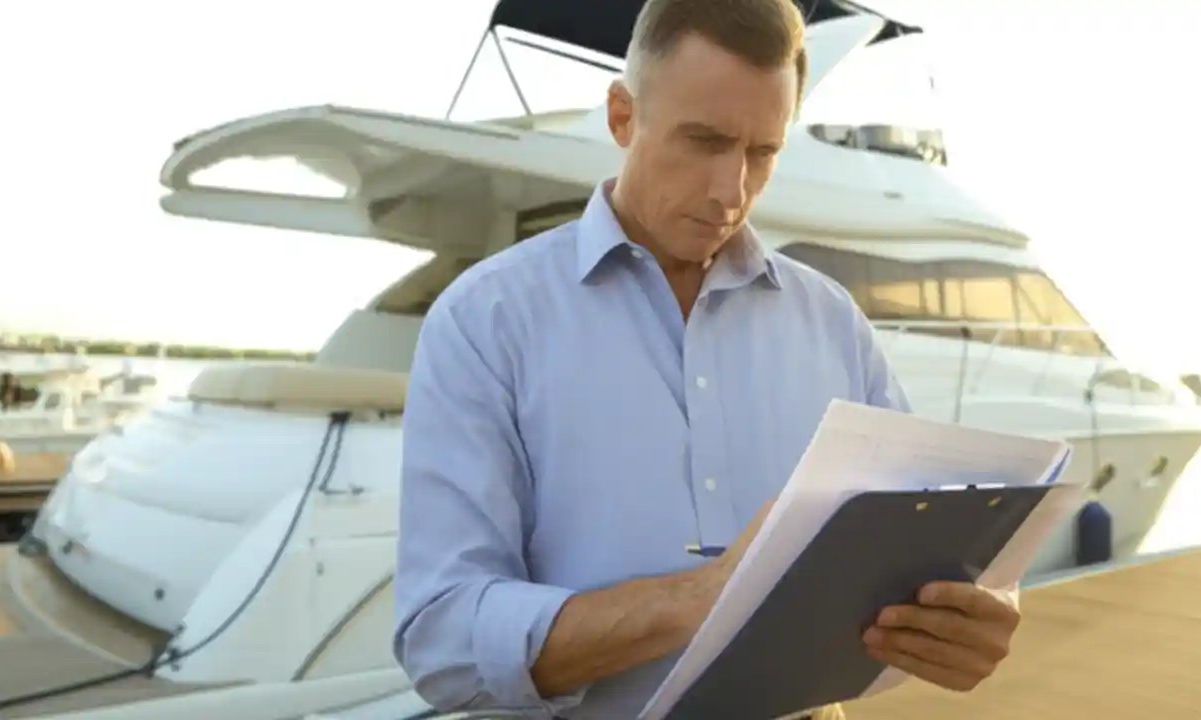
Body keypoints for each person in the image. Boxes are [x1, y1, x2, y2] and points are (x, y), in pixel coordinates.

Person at [393, 0, 1022, 717]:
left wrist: (976, 610)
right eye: (704, 141)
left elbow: (925, 536)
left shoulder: (832, 322)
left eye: (762, 153)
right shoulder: (485, 322)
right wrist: (707, 598)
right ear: (622, 115)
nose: (732, 190)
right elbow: (441, 638)